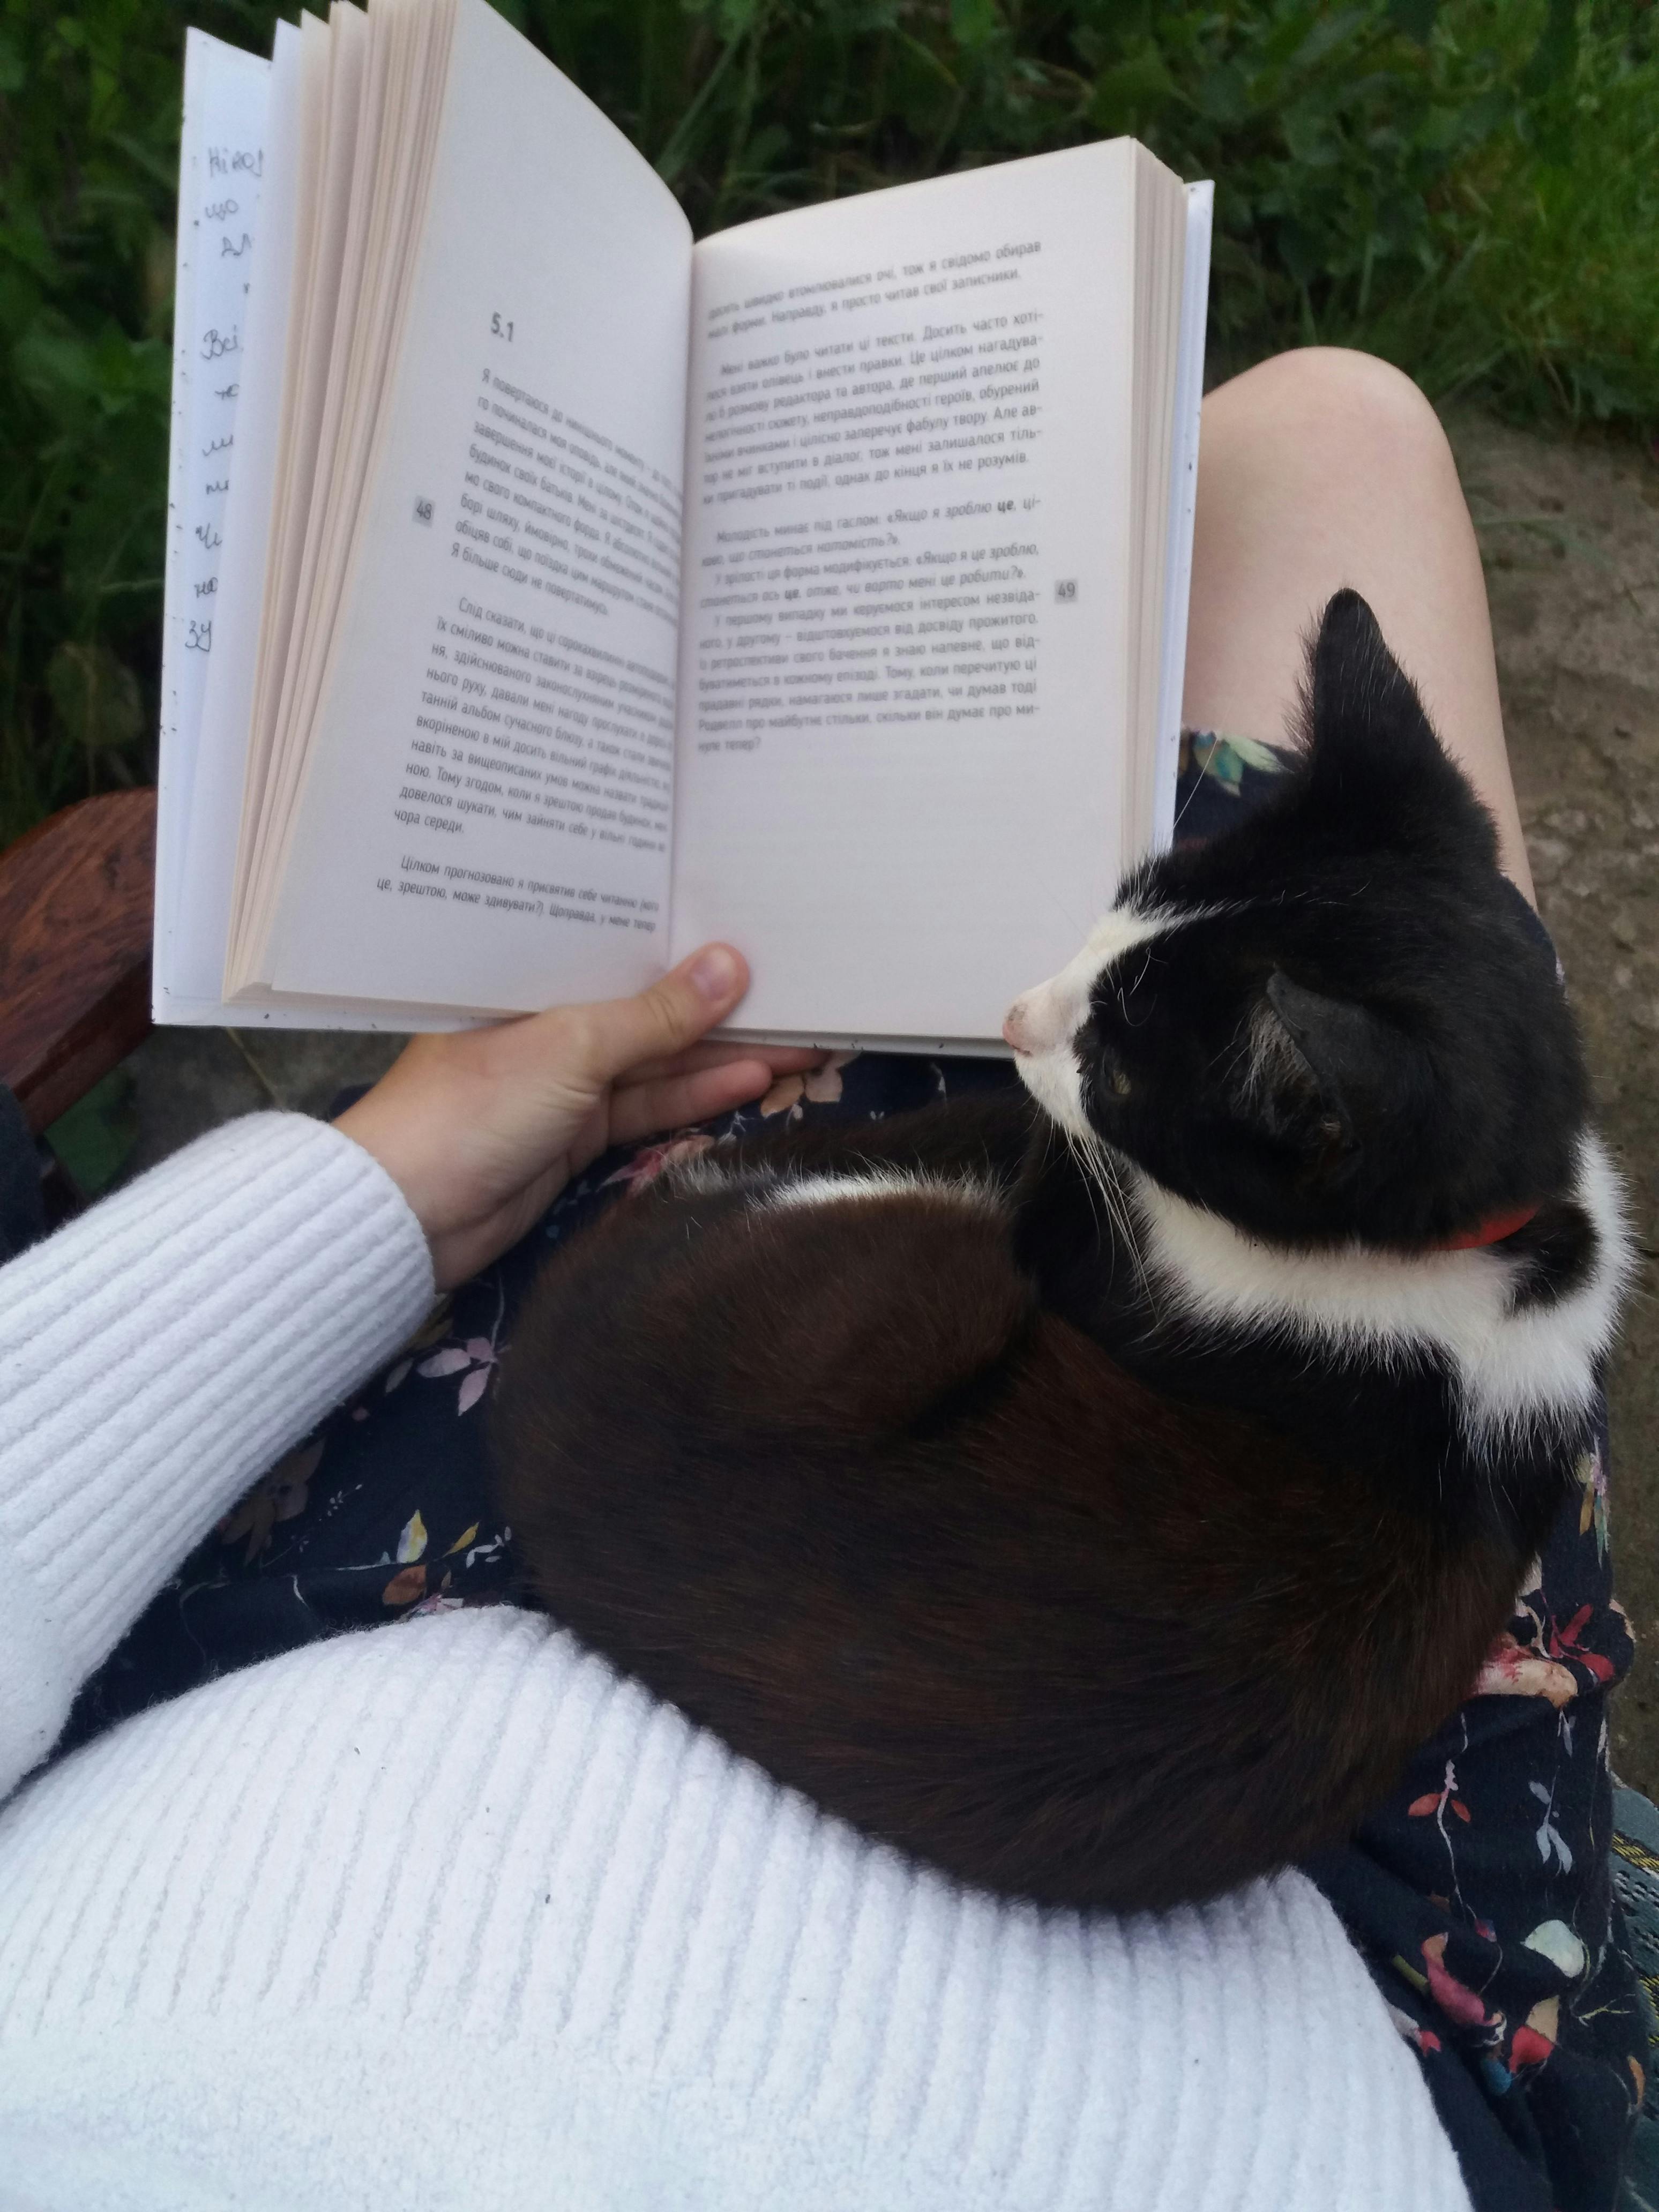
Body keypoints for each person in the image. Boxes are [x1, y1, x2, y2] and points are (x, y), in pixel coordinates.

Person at [0, 351, 1638, 2210]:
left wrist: (369, 1197)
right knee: (1337, 433)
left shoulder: (1310, 1126)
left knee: (1322, 437)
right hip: (1315, 1924)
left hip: (442, 1589)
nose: (1026, 1015)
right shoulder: (1381, 1189)